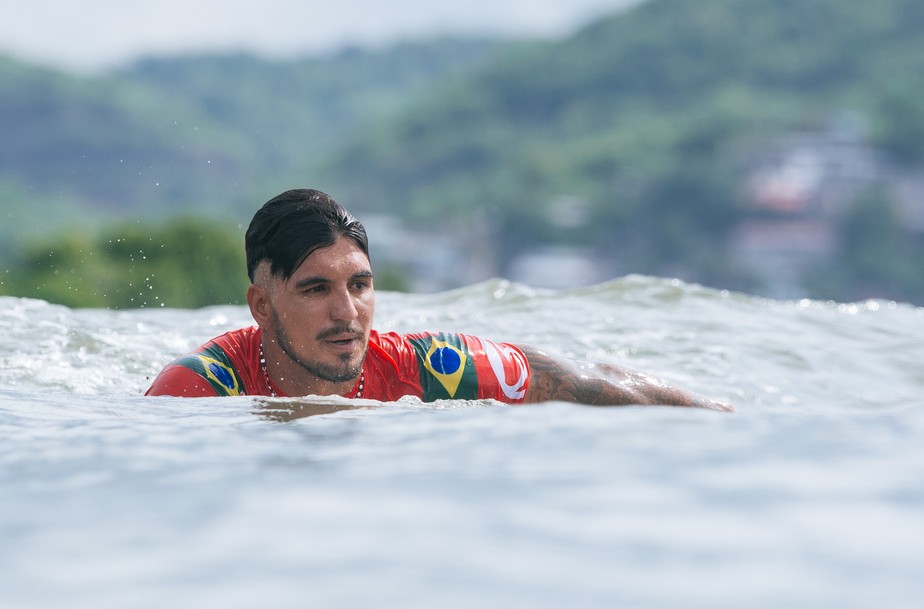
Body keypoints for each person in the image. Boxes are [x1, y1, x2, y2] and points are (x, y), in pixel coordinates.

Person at [145, 189, 732, 411]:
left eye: (360, 284)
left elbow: (584, 384)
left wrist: (721, 419)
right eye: (315, 288)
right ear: (262, 306)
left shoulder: (430, 369)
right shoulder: (198, 389)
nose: (347, 314)